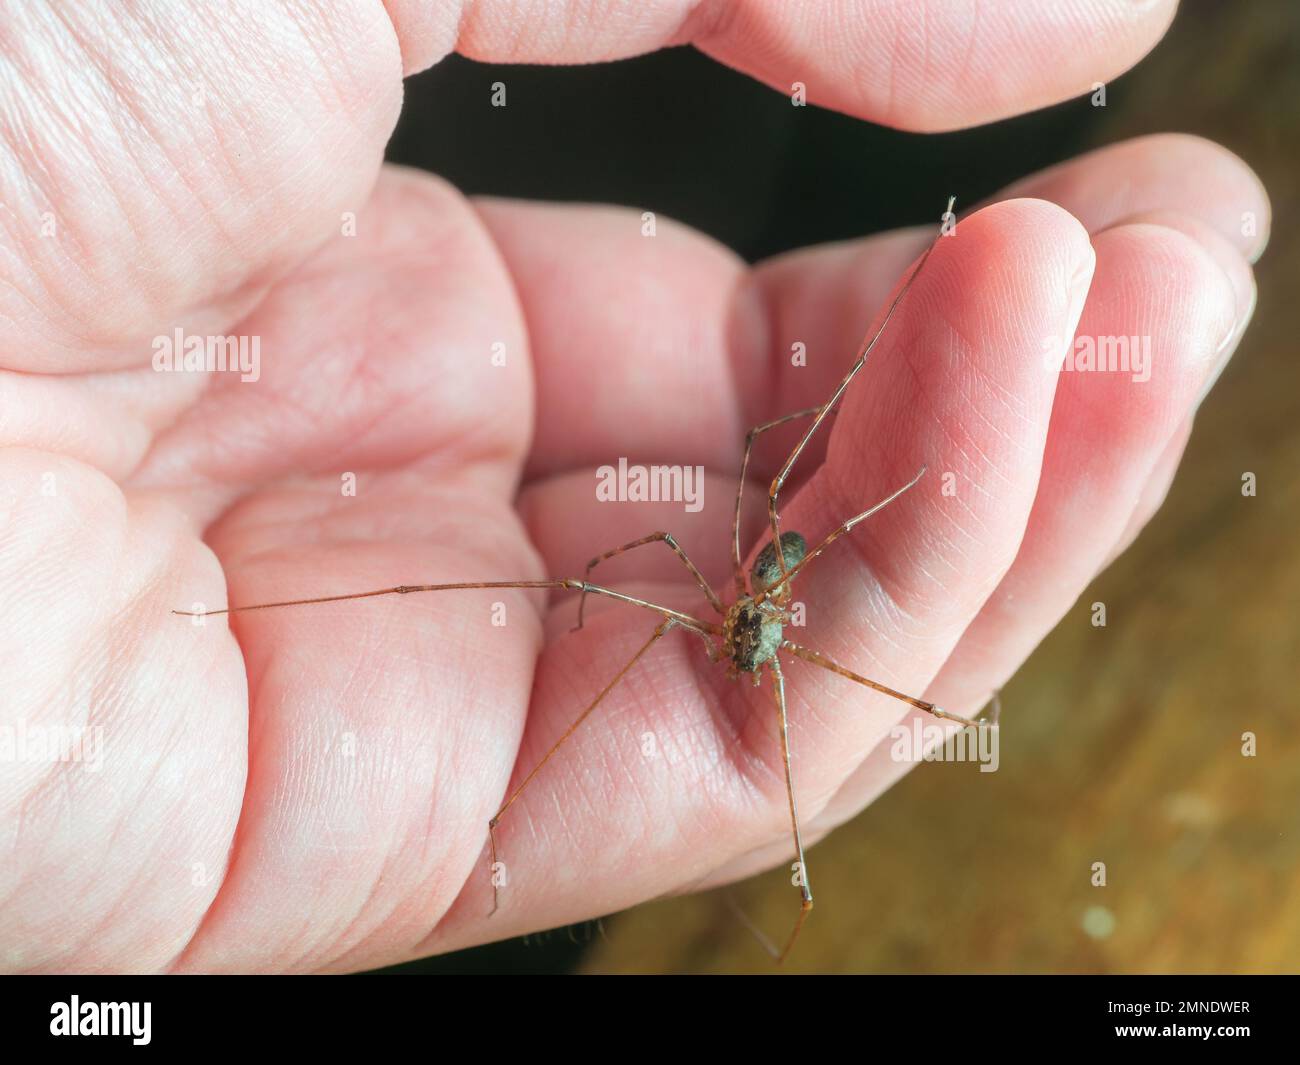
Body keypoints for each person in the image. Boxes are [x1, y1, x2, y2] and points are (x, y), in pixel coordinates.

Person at [0, 0, 1266, 973]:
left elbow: (814, 631)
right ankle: (752, 884)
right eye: (738, 625)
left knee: (852, 652)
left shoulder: (767, 616)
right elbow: (668, 563)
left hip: (767, 585)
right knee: (736, 630)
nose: (736, 633)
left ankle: (782, 883)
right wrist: (606, 579)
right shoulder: (715, 602)